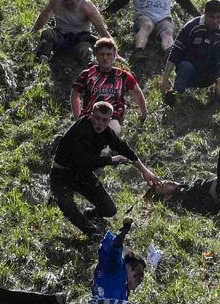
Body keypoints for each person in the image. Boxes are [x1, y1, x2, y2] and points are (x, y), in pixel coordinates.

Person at [51, 101, 160, 235]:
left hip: (82, 175)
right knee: (72, 212)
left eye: (104, 120)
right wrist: (111, 160)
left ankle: (89, 214)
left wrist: (144, 171)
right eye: (97, 118)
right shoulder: (82, 128)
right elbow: (82, 161)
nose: (100, 123)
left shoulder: (106, 132)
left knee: (109, 210)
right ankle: (92, 233)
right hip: (61, 174)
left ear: (109, 120)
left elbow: (124, 148)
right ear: (91, 115)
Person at [160, 0, 220, 99]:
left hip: (209, 74)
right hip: (190, 72)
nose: (215, 21)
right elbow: (174, 53)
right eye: (211, 17)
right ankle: (178, 95)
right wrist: (165, 79)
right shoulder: (191, 27)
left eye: (218, 17)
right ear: (204, 13)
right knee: (185, 65)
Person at [30, 0, 111, 63]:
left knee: (87, 50)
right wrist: (32, 32)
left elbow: (101, 29)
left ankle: (91, 66)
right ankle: (42, 60)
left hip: (81, 39)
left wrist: (114, 51)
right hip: (61, 36)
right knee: (47, 33)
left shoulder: (85, 5)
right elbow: (44, 16)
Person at [70, 38, 147, 130]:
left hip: (113, 117)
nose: (105, 58)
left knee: (111, 131)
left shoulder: (123, 76)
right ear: (96, 56)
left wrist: (144, 114)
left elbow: (137, 93)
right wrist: (77, 118)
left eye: (109, 54)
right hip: (90, 115)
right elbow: (74, 95)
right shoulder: (87, 74)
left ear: (114, 56)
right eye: (102, 54)